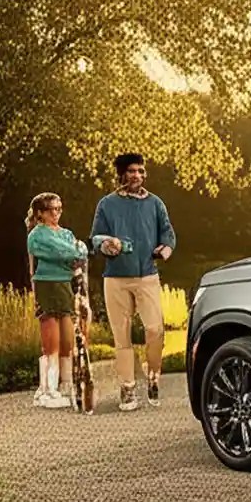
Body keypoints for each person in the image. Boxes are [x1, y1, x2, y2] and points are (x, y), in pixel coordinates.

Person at [90, 153, 176, 412]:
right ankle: (127, 388)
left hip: (147, 275)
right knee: (122, 335)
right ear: (121, 175)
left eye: (140, 171)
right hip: (116, 278)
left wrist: (164, 250)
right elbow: (95, 238)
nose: (137, 175)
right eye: (131, 171)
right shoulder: (107, 204)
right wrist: (106, 245)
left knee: (155, 329)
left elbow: (168, 234)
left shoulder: (155, 203)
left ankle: (153, 375)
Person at [25, 192, 88, 410]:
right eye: (52, 209)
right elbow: (66, 252)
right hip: (47, 285)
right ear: (40, 213)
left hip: (65, 285)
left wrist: (76, 252)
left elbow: (80, 254)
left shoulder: (66, 233)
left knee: (67, 340)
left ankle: (66, 385)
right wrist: (74, 251)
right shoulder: (36, 235)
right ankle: (47, 389)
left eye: (59, 208)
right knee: (51, 340)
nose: (56, 213)